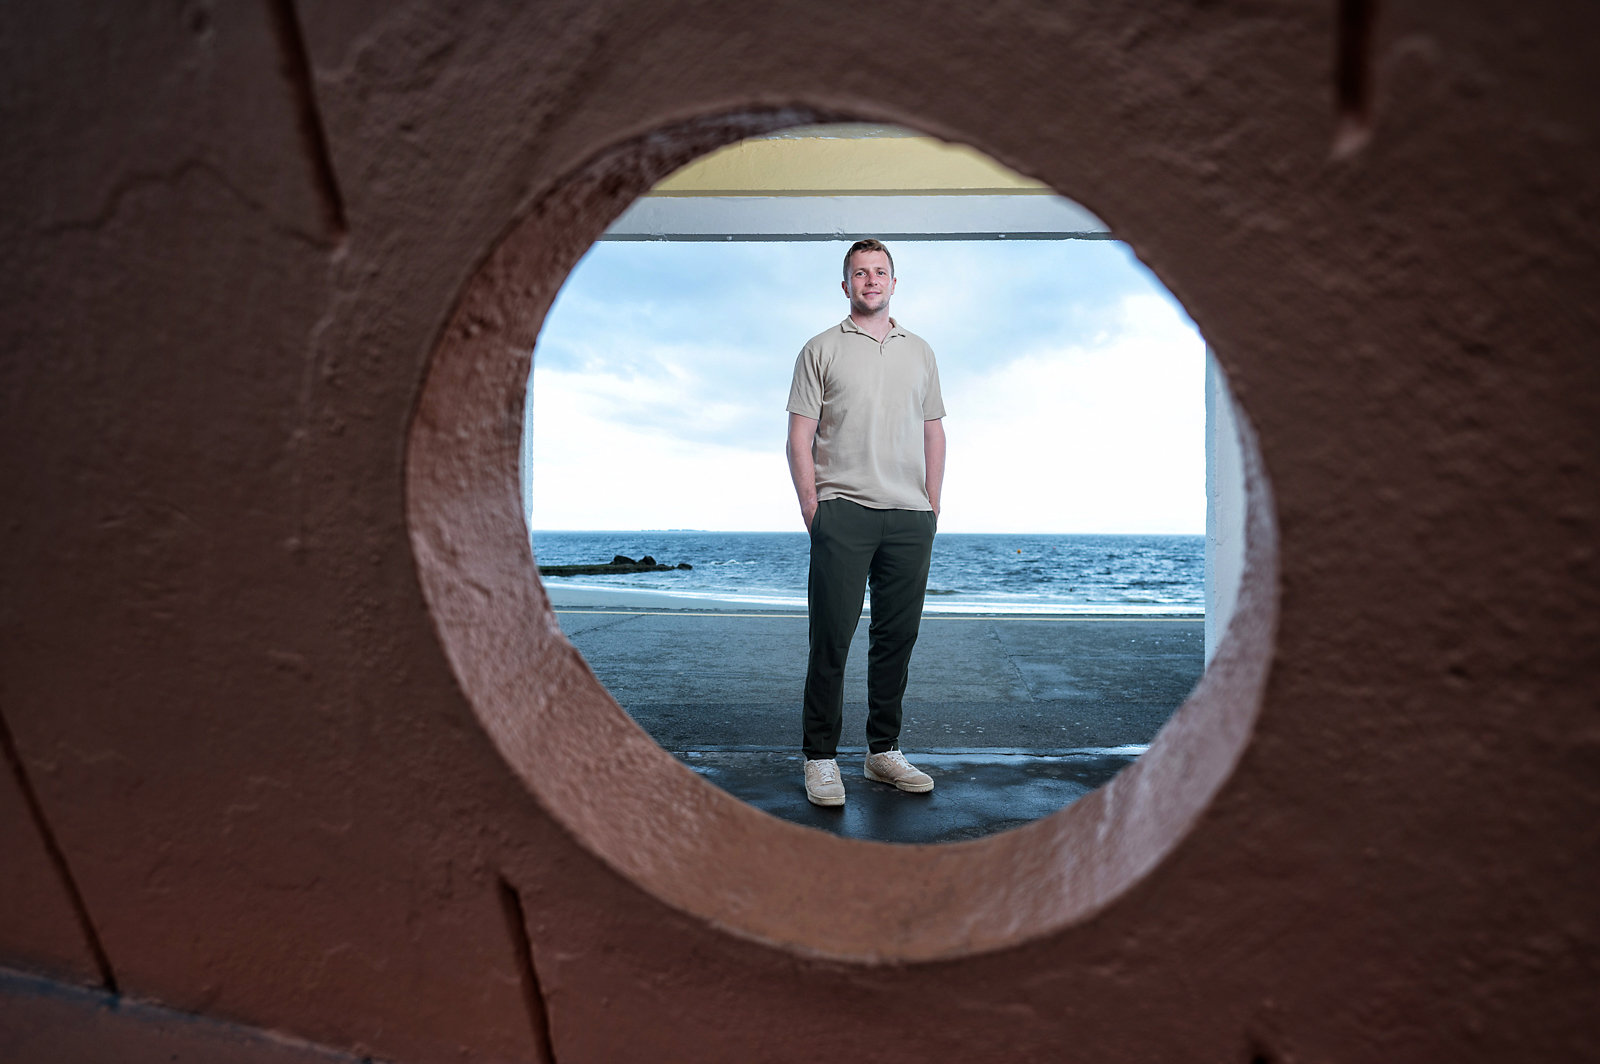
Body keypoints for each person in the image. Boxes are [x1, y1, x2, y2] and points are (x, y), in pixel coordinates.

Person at [785, 239, 946, 807]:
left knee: (896, 639)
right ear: (846, 284)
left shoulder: (920, 351)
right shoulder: (820, 349)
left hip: (909, 516)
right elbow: (799, 437)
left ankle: (883, 752)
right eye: (860, 272)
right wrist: (814, 510)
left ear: (893, 283)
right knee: (831, 638)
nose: (870, 280)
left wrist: (933, 504)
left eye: (880, 272)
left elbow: (933, 431)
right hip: (843, 512)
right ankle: (821, 758)